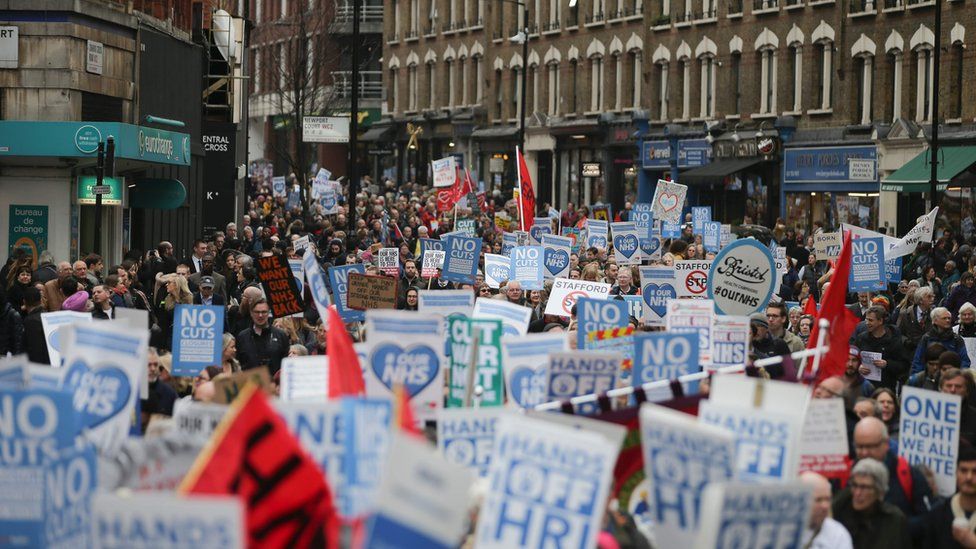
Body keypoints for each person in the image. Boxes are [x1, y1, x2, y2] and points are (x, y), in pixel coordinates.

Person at [850, 416, 932, 535]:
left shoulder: (909, 474)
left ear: (886, 444)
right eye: (859, 447)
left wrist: (895, 527)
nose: (864, 453)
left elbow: (928, 521)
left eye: (870, 446)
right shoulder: (847, 475)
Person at [832, 457, 912, 549]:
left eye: (865, 487)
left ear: (880, 491)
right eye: (854, 485)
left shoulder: (894, 520)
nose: (857, 493)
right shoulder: (838, 511)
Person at [920, 443, 976, 548]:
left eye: (975, 472)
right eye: (963, 470)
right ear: (956, 473)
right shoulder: (937, 514)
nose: (969, 477)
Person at [853, 305, 910, 391]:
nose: (867, 323)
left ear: (880, 321)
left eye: (871, 320)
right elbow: (852, 358)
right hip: (864, 388)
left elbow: (903, 365)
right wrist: (858, 367)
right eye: (866, 319)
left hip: (886, 389)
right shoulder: (861, 338)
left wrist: (887, 364)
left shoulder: (893, 340)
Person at [235, 298, 289, 376]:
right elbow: (238, 363)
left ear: (268, 313)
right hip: (250, 385)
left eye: (264, 312)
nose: (260, 315)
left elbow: (285, 363)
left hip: (274, 384)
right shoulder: (242, 337)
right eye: (257, 312)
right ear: (251, 313)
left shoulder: (281, 335)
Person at [800, 471, 853, 549]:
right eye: (818, 500)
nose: (825, 506)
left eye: (828, 499)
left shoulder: (837, 534)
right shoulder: (783, 532)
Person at [911, 307, 971, 374]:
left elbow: (965, 361)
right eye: (944, 318)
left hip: (951, 376)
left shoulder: (956, 339)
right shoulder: (927, 338)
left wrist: (959, 375)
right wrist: (919, 377)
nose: (948, 320)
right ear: (935, 321)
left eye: (949, 318)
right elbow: (918, 360)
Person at [898, 286, 935, 356]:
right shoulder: (905, 314)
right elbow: (898, 333)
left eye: (933, 296)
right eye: (929, 297)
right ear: (920, 300)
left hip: (929, 354)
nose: (932, 299)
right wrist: (907, 341)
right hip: (910, 354)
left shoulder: (934, 315)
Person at [21, 287, 49, 364]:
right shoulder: (47, 316)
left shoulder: (31, 321)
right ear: (40, 300)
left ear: (24, 302)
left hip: (38, 367)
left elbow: (35, 350)